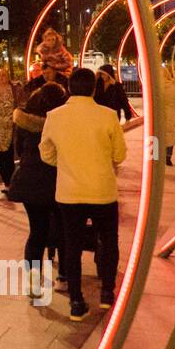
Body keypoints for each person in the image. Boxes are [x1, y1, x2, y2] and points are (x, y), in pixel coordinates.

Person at [40, 69, 127, 321]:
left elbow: (46, 153)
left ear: (68, 87)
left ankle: (76, 301)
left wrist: (66, 163)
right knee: (109, 240)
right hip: (102, 191)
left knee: (72, 244)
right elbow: (119, 155)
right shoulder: (108, 116)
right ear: (93, 88)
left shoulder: (55, 116)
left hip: (69, 192)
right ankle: (107, 294)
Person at [8, 83, 68, 298]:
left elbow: (17, 150)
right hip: (57, 181)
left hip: (30, 182)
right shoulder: (62, 123)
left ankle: (33, 282)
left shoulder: (24, 122)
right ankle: (64, 277)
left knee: (37, 233)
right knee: (63, 230)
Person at [158, 64, 175, 165]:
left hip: (157, 116)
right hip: (171, 115)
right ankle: (168, 157)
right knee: (170, 136)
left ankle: (156, 157)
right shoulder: (173, 87)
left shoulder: (154, 88)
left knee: (156, 136)